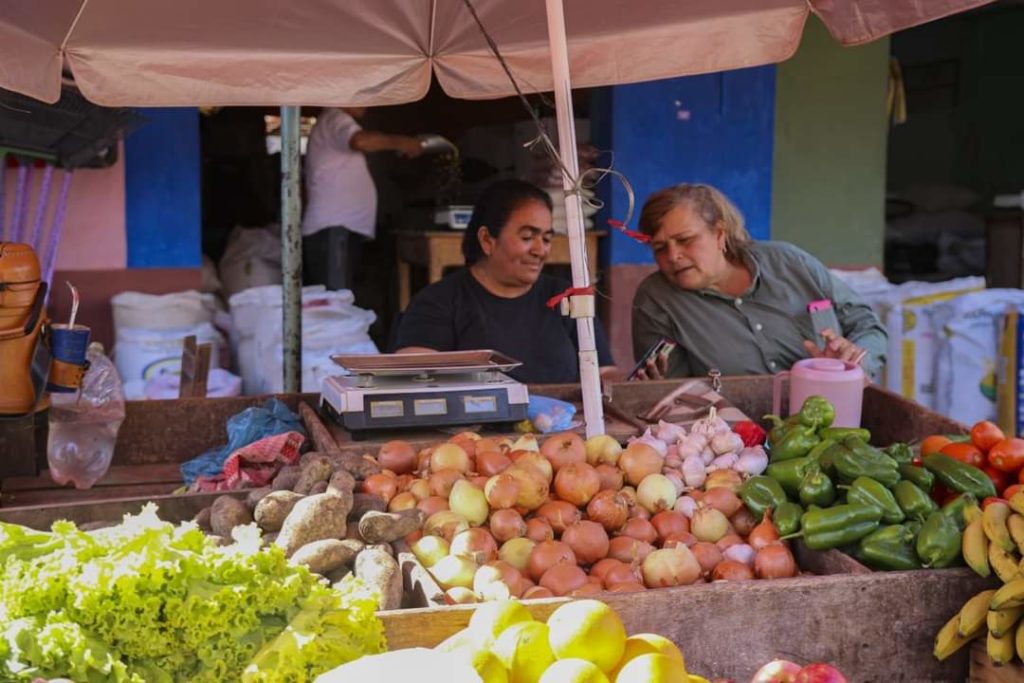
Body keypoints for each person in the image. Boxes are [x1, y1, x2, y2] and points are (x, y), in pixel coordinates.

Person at [631, 183, 887, 380]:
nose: (673, 256)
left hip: (833, 419)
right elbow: (674, 393)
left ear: (720, 234)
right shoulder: (657, 300)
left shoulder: (790, 263)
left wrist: (855, 361)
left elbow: (866, 325)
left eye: (686, 240)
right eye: (660, 248)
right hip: (735, 439)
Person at [392, 179, 616, 384]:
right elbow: (414, 378)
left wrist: (636, 384)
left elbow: (604, 373)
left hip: (563, 424)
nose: (541, 250)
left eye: (547, 238)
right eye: (527, 237)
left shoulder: (564, 297)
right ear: (487, 240)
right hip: (474, 428)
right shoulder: (437, 302)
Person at [302, 107, 423, 291]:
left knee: (337, 298)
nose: (367, 104)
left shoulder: (331, 121)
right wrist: (402, 142)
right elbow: (360, 141)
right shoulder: (336, 118)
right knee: (336, 301)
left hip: (338, 229)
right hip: (333, 228)